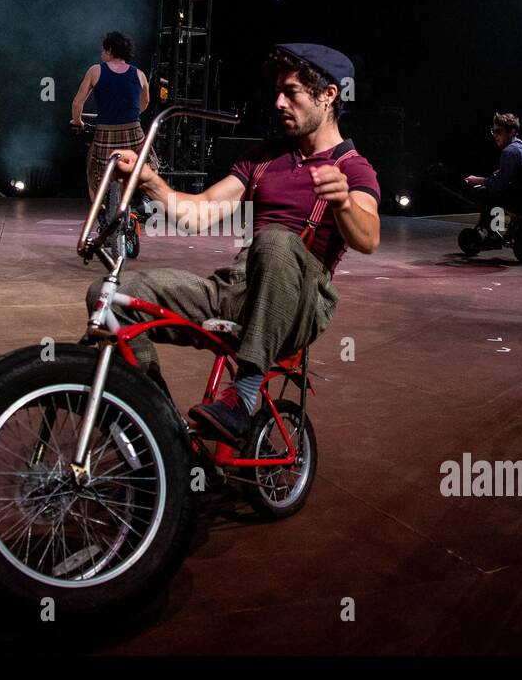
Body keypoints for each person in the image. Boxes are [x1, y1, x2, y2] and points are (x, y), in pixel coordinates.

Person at [87, 43, 381, 443]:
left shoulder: (353, 167)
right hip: (238, 286)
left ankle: (243, 397)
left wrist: (344, 201)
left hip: (297, 303)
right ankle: (156, 423)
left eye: (291, 92)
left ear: (328, 95)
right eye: (277, 91)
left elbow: (368, 237)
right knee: (114, 297)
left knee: (275, 240)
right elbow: (201, 211)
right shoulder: (263, 159)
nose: (278, 102)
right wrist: (151, 183)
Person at [70, 31, 160, 204]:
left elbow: (77, 103)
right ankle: (143, 197)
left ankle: (101, 212)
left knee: (93, 172)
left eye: (103, 50)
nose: (101, 53)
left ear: (109, 51)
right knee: (150, 165)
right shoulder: (139, 74)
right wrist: (130, 115)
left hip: (106, 133)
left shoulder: (95, 71)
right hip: (133, 132)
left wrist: (77, 121)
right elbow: (145, 102)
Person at [464, 112, 522, 243]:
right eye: (493, 131)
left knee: (486, 193)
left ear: (511, 132)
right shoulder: (520, 145)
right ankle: (514, 227)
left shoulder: (509, 151)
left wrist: (476, 180)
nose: (495, 136)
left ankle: (491, 233)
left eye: (499, 132)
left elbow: (498, 184)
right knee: (499, 191)